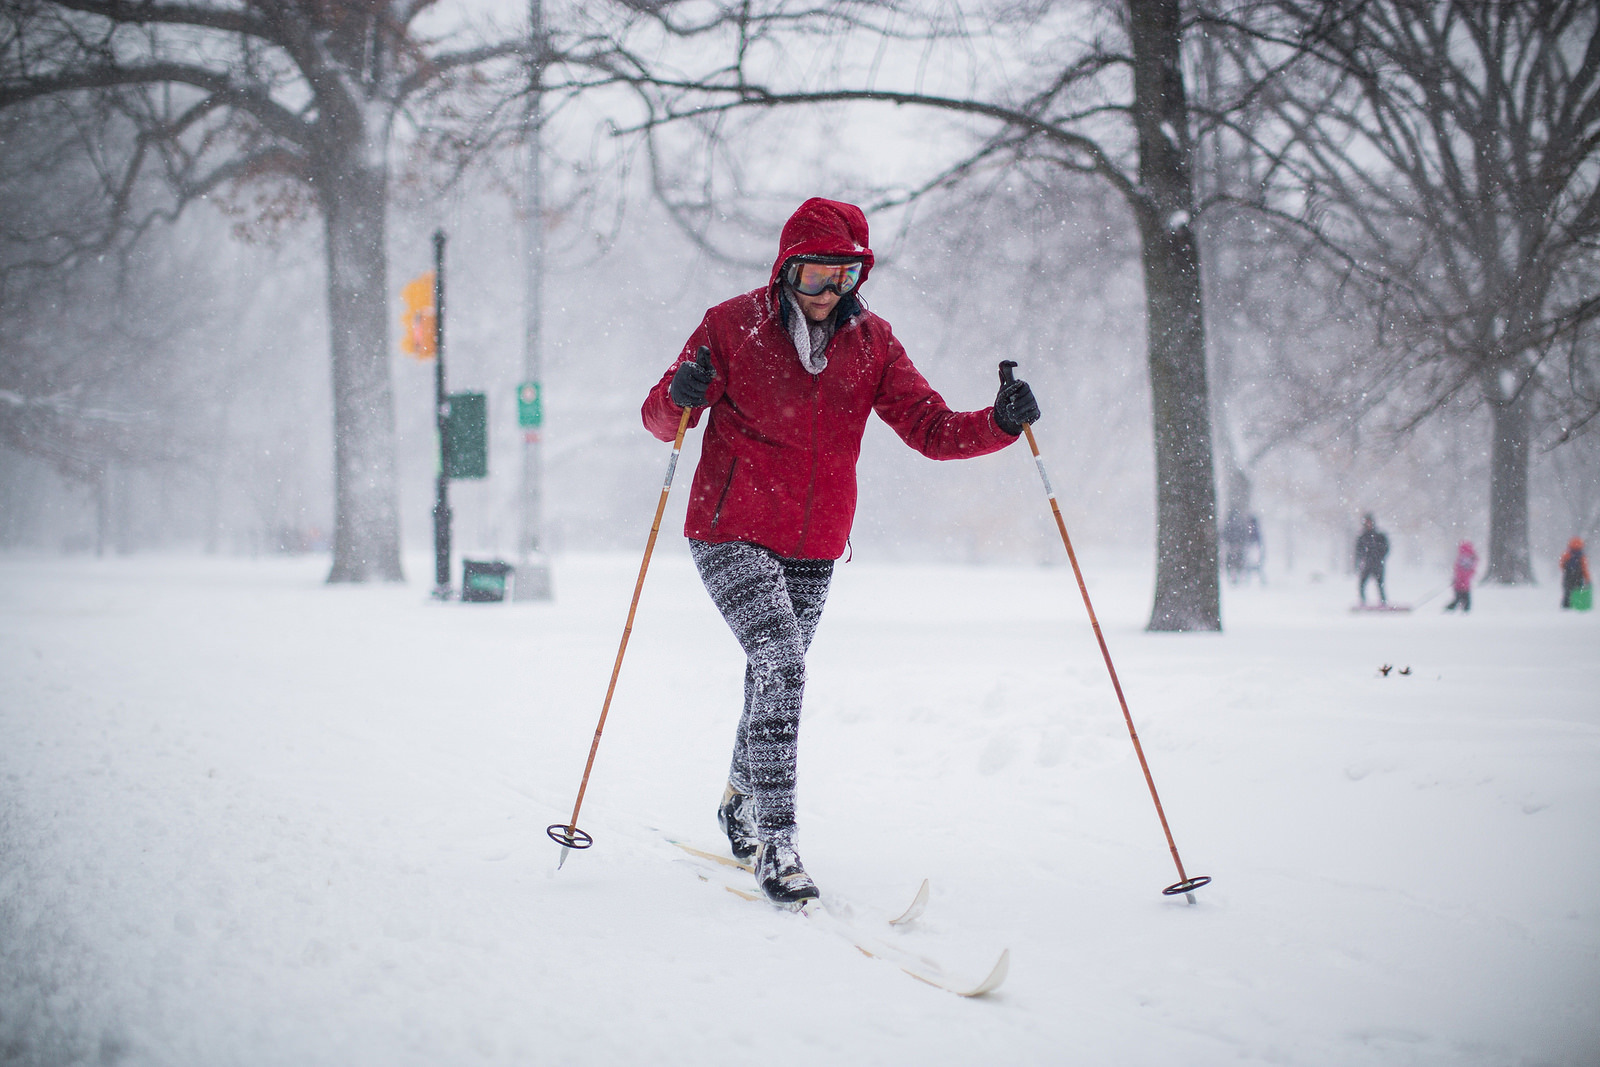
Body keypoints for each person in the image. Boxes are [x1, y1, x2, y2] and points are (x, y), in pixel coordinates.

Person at [641, 197, 1039, 907]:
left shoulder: (874, 342)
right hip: (728, 526)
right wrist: (680, 394)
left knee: (774, 673)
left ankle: (739, 798)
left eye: (844, 279)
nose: (828, 294)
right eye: (816, 277)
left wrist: (999, 423)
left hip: (815, 542)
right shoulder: (732, 327)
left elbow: (931, 427)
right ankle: (778, 839)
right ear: (787, 270)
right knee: (782, 663)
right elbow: (660, 418)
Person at [1354, 512, 1390, 606]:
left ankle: (1383, 603)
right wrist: (1361, 560)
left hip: (1378, 564)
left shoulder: (1379, 536)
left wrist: (1379, 557)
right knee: (1362, 584)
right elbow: (1358, 551)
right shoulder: (1362, 537)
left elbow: (1386, 548)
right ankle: (1363, 602)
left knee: (1380, 585)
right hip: (1367, 564)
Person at [1443, 540, 1477, 613]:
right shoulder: (1467, 559)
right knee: (1463, 600)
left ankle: (1451, 609)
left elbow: (1460, 570)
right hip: (1462, 584)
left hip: (1461, 584)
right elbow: (1467, 571)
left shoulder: (1464, 558)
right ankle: (1461, 611)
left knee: (1459, 600)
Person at [1560, 537, 1590, 609]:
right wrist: (1587, 579)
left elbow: (1561, 564)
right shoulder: (1581, 556)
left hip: (1568, 576)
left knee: (1567, 591)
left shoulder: (1567, 554)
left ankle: (1566, 606)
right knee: (1578, 591)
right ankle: (1578, 605)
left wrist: (1566, 570)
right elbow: (1584, 568)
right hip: (1578, 576)